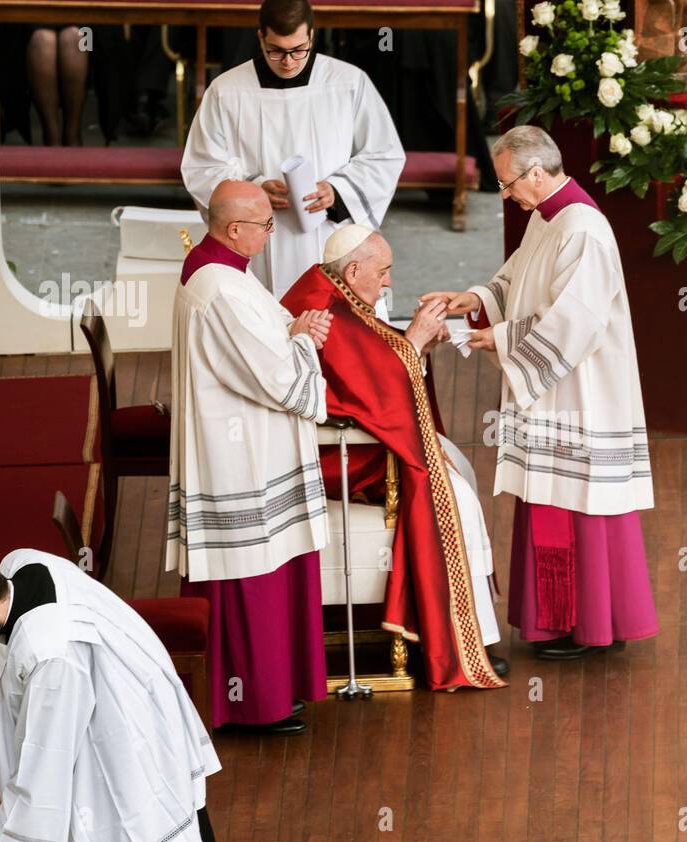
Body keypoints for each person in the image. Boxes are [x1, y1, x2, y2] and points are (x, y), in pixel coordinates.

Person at [425, 125, 659, 660]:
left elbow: (574, 322)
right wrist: (475, 300)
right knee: (553, 497)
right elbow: (516, 282)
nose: (505, 195)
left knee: (584, 502)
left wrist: (500, 337)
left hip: (583, 390)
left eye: (508, 184)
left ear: (536, 173)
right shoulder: (546, 217)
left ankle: (592, 624)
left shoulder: (583, 229)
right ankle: (561, 622)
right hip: (557, 388)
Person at [280, 224, 508, 689]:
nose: (388, 282)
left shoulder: (331, 288)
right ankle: (459, 641)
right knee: (453, 496)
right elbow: (366, 396)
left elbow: (371, 373)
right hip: (338, 455)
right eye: (383, 273)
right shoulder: (324, 306)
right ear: (354, 268)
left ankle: (463, 629)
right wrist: (416, 341)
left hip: (350, 438)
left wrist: (410, 341)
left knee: (456, 465)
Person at [0, 550, 221, 842]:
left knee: (141, 827)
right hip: (122, 694)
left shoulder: (51, 651)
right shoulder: (20, 565)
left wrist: (2, 827)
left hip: (120, 734)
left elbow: (46, 753)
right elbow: (8, 649)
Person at [168, 180, 333, 735]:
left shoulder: (218, 268)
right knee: (250, 575)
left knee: (260, 570)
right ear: (234, 229)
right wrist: (306, 343)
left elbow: (250, 350)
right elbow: (278, 380)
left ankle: (270, 691)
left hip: (240, 444)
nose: (271, 231)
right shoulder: (221, 288)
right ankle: (252, 705)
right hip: (240, 456)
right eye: (265, 224)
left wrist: (291, 329)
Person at [181, 0, 405, 297]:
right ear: (261, 37)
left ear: (312, 35)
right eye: (276, 50)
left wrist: (337, 191)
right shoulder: (227, 90)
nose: (288, 61)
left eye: (299, 49)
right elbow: (201, 166)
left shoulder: (348, 82)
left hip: (327, 231)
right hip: (260, 240)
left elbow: (384, 155)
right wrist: (254, 188)